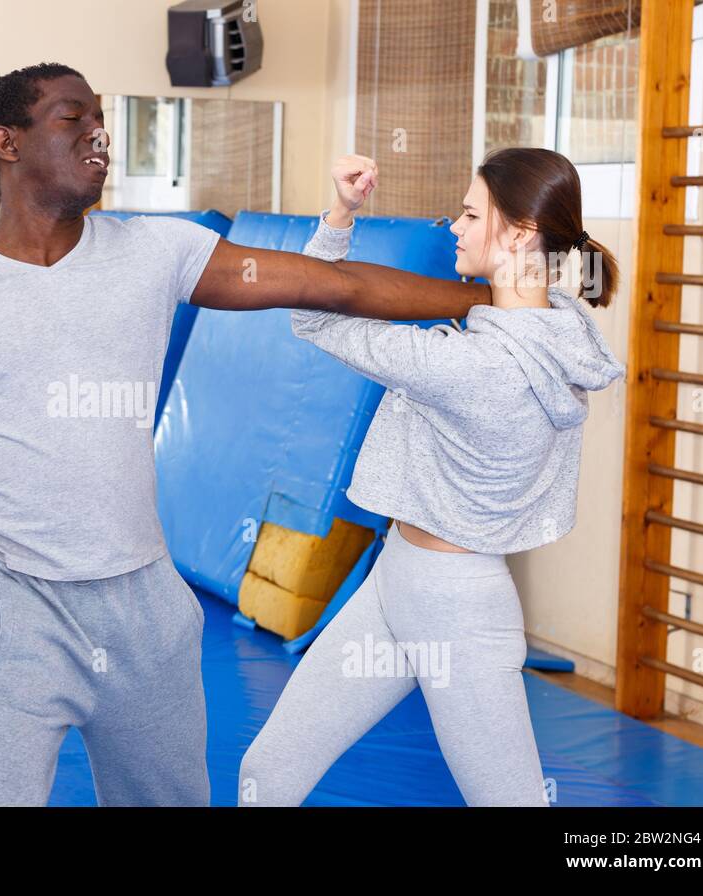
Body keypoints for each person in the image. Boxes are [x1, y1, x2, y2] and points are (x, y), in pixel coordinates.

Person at [0, 62, 492, 807]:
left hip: (144, 612)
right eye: (72, 118)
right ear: (7, 142)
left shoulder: (159, 253)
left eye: (101, 117)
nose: (99, 132)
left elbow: (335, 285)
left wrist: (496, 300)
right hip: (8, 612)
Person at [237, 148, 626, 806]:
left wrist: (343, 212)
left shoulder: (465, 365)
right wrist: (484, 295)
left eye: (471, 215)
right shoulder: (565, 326)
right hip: (397, 582)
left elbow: (311, 311)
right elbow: (522, 305)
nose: (454, 228)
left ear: (521, 234)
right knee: (268, 769)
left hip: (458, 609)